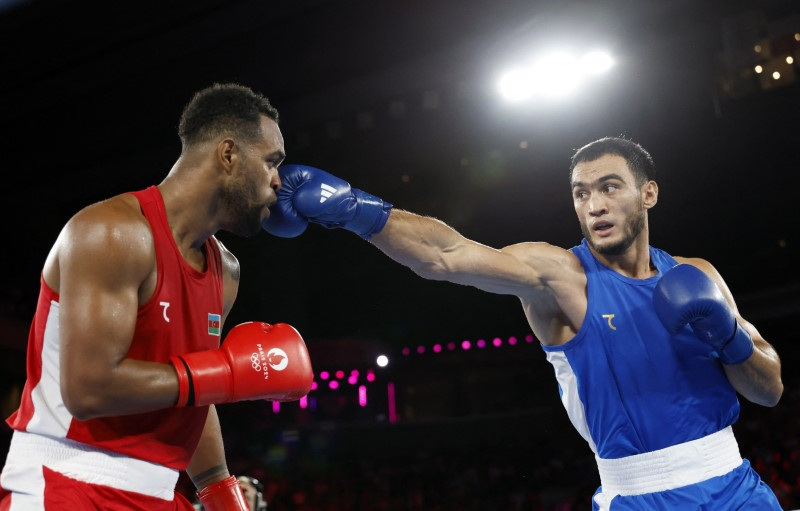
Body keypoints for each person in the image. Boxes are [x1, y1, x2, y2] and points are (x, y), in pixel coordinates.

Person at [262, 137, 784, 509]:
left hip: (738, 487)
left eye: (609, 188)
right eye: (581, 193)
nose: (595, 205)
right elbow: (445, 255)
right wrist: (355, 209)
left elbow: (769, 389)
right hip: (640, 496)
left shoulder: (699, 275)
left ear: (648, 194)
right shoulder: (559, 276)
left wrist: (728, 334)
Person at [0, 83, 314, 510]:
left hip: (160, 491)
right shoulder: (111, 232)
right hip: (66, 478)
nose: (279, 181)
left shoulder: (227, 271)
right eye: (271, 161)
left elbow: (194, 401)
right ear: (228, 154)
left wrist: (222, 495)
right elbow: (88, 390)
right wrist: (225, 374)